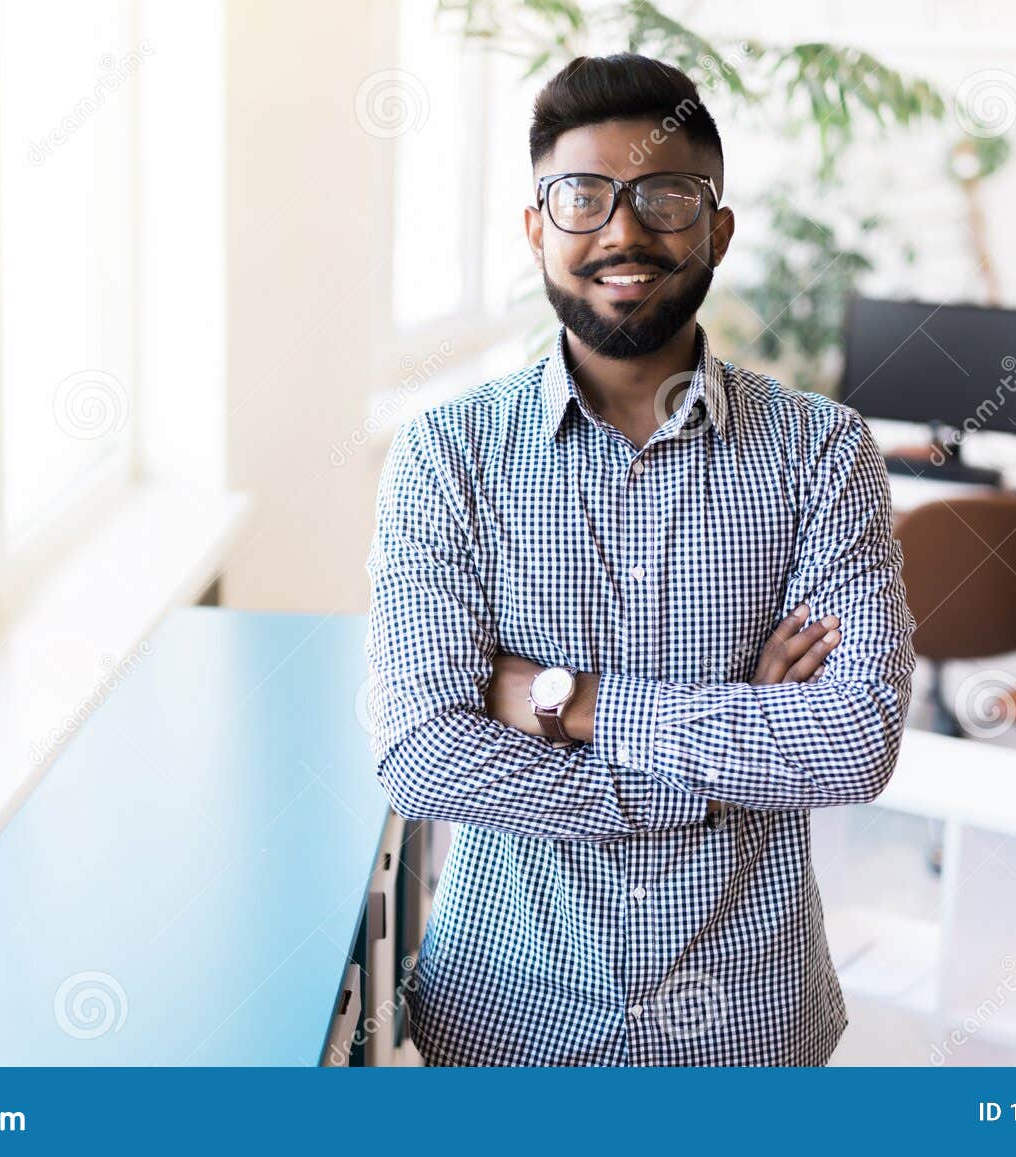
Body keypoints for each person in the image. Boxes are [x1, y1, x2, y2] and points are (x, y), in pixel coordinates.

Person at [365, 52, 917, 1066]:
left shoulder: (821, 451)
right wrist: (719, 769)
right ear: (536, 228)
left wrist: (567, 700)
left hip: (748, 1017)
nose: (622, 232)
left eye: (665, 197)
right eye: (582, 197)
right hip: (508, 1008)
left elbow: (852, 741)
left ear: (717, 229)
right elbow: (424, 752)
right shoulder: (447, 454)